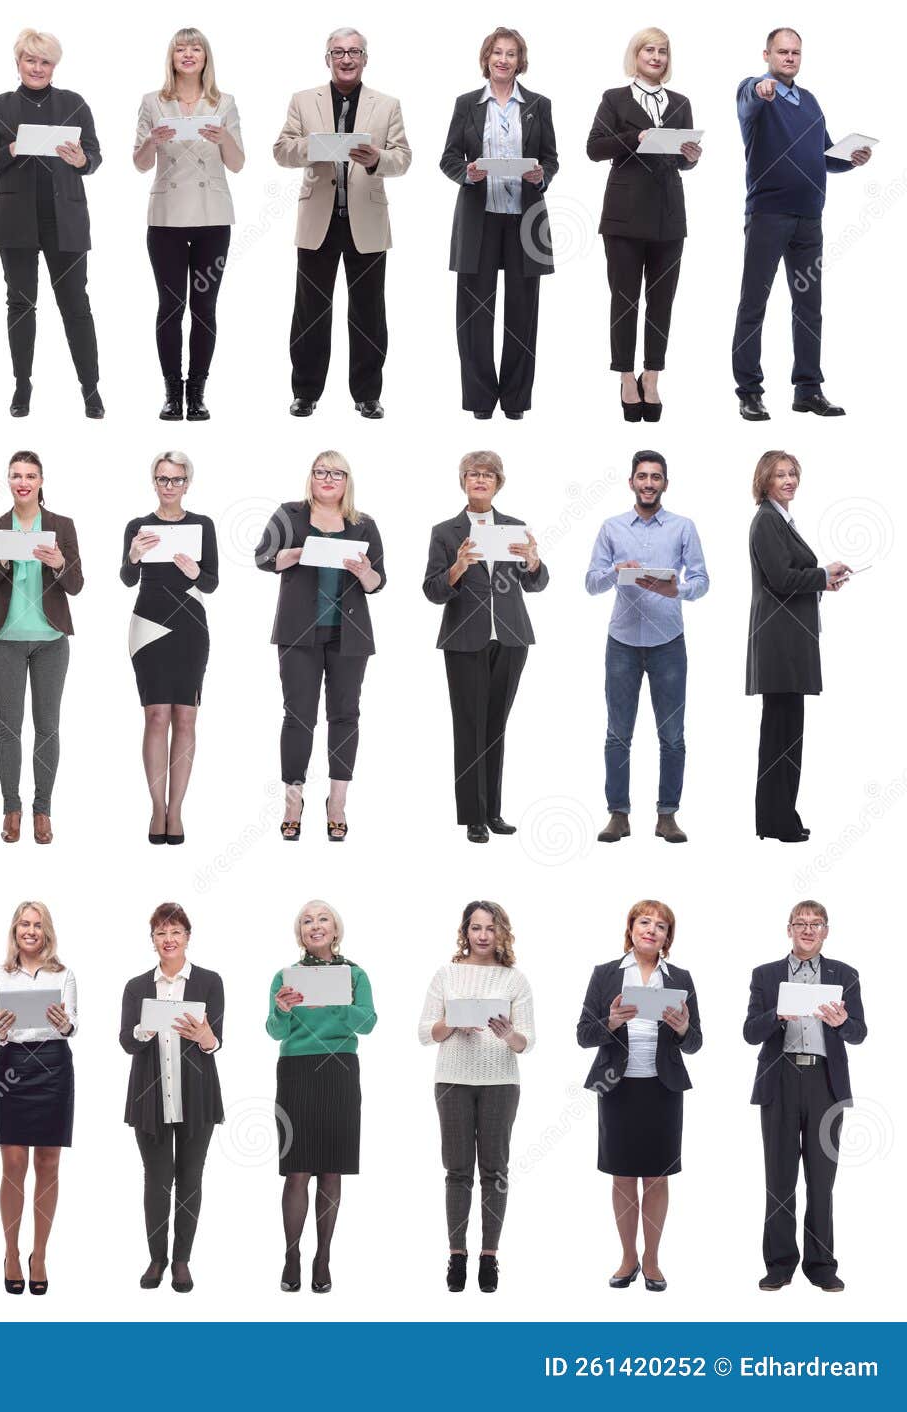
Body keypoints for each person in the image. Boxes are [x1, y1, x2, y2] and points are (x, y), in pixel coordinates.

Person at [732, 29, 871, 421]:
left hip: (810, 218)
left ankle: (808, 389)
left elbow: (823, 153)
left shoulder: (809, 101)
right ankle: (749, 392)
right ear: (767, 54)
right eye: (782, 52)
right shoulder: (754, 91)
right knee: (753, 304)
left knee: (809, 306)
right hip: (768, 216)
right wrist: (761, 89)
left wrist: (850, 159)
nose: (790, 58)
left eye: (795, 53)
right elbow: (749, 97)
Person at [273, 28, 410, 419]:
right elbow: (282, 150)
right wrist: (314, 146)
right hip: (319, 219)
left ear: (366, 58)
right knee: (310, 311)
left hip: (366, 221)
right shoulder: (303, 101)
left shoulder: (387, 105)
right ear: (327, 58)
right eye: (338, 52)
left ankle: (367, 394)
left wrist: (375, 158)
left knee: (369, 312)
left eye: (354, 52)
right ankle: (305, 392)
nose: (346, 59)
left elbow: (403, 158)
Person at [254, 453, 384, 842]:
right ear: (310, 477)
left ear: (347, 480)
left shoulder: (364, 524)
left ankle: (337, 802)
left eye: (336, 473)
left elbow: (378, 582)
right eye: (321, 472)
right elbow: (262, 557)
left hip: (350, 634)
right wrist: (291, 555)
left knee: (346, 716)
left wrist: (364, 573)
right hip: (298, 633)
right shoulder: (288, 514)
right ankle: (293, 801)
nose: (328, 478)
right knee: (298, 716)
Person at [0, 29, 104, 419]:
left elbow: (94, 157)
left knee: (75, 305)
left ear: (54, 66)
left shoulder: (73, 104)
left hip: (65, 221)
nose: (37, 67)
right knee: (21, 304)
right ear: (18, 63)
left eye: (44, 61)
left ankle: (91, 389)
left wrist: (81, 160)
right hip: (17, 221)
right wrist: (10, 149)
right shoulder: (0, 107)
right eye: (30, 60)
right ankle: (22, 386)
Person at [584, 451, 709, 845]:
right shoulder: (612, 528)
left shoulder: (684, 527)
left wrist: (680, 589)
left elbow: (702, 579)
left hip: (668, 642)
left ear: (665, 484)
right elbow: (590, 583)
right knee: (617, 734)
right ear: (631, 482)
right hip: (621, 642)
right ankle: (618, 815)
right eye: (642, 476)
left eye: (656, 477)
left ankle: (667, 816)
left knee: (672, 735)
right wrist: (615, 572)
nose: (649, 483)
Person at [577, 899, 701, 1292]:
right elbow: (583, 1034)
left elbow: (696, 1042)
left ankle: (652, 1259)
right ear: (630, 928)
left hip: (663, 1088)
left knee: (658, 1176)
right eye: (644, 921)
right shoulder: (606, 975)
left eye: (661, 926)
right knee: (623, 1174)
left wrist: (682, 1029)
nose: (652, 929)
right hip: (617, 1087)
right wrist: (611, 1021)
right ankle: (628, 1257)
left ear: (668, 937)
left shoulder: (679, 976)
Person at [423, 451, 547, 842]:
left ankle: (493, 811)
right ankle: (473, 817)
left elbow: (536, 584)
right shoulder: (446, 531)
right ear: (463, 481)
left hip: (510, 637)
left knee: (495, 728)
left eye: (488, 475)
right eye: (473, 474)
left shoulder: (514, 527)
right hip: (464, 640)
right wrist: (458, 567)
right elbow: (432, 590)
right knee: (469, 728)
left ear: (498, 483)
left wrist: (532, 561)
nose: (480, 480)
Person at [744, 900, 866, 1293]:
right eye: (801, 923)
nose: (808, 930)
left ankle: (821, 1264)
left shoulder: (844, 975)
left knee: (821, 1180)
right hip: (779, 1079)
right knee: (779, 1179)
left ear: (826, 931)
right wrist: (778, 1014)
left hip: (825, 1084)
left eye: (816, 924)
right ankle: (779, 1264)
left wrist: (843, 1021)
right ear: (789, 929)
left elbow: (859, 1033)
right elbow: (750, 1032)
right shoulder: (766, 975)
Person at [439, 27, 558, 420]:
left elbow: (551, 158)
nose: (503, 59)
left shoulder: (539, 105)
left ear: (519, 61)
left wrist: (540, 175)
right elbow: (449, 157)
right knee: (474, 314)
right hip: (480, 217)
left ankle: (515, 401)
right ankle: (479, 401)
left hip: (525, 219)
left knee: (523, 313)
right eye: (497, 53)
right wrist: (467, 173)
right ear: (486, 58)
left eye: (511, 54)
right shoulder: (467, 103)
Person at [417, 900, 534, 1293]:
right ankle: (456, 1256)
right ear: (465, 932)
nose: (483, 935)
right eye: (476, 928)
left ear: (502, 932)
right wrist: (451, 1022)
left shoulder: (515, 980)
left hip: (501, 1082)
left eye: (490, 928)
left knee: (495, 1171)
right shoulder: (446, 974)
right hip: (452, 1080)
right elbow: (423, 1033)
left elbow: (526, 1042)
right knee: (457, 1170)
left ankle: (489, 1257)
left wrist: (506, 1034)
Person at [586, 29, 701, 421]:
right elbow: (594, 148)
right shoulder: (614, 99)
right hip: (624, 214)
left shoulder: (681, 102)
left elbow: (682, 161)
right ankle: (625, 376)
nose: (656, 57)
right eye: (649, 50)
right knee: (625, 300)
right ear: (635, 55)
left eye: (663, 51)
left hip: (669, 215)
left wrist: (690, 155)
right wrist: (635, 135)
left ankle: (651, 374)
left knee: (662, 300)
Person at [132, 27, 245, 420]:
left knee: (204, 307)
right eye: (181, 48)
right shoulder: (152, 102)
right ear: (172, 57)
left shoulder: (224, 102)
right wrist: (154, 141)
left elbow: (237, 162)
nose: (188, 54)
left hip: (213, 217)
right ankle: (171, 392)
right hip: (166, 218)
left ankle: (196, 392)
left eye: (195, 48)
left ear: (205, 56)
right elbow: (140, 162)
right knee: (169, 305)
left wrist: (223, 136)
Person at [0, 452, 83, 845]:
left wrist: (60, 563)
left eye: (30, 475)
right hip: (6, 641)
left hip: (51, 641)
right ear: (8, 480)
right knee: (8, 728)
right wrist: (1, 560)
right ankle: (11, 809)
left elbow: (77, 585)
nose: (23, 482)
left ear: (40, 481)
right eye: (16, 475)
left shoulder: (60, 526)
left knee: (48, 728)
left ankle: (43, 811)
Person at [267, 899, 376, 1294]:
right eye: (307, 921)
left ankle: (323, 1256)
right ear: (301, 932)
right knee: (297, 1169)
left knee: (331, 1169)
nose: (315, 925)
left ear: (335, 928)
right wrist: (281, 1009)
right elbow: (275, 1031)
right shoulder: (286, 975)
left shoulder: (355, 974)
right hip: (296, 1071)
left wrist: (339, 1004)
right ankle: (292, 1253)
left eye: (323, 918)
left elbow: (369, 1022)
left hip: (340, 1071)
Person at [120, 902, 223, 1294]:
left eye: (176, 932)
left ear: (188, 937)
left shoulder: (209, 982)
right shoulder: (137, 986)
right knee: (157, 1180)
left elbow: (217, 1041)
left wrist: (204, 1037)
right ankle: (156, 1258)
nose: (169, 939)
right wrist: (144, 1030)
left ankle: (182, 1261)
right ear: (152, 940)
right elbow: (126, 1041)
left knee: (190, 1179)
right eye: (161, 933)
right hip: (150, 1095)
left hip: (197, 1096)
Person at [746, 451, 849, 841]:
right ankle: (776, 822)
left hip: (789, 642)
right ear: (764, 481)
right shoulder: (767, 521)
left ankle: (779, 818)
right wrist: (821, 575)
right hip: (779, 645)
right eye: (779, 475)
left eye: (792, 473)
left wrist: (824, 578)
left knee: (787, 735)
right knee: (779, 737)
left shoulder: (780, 520)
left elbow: (793, 576)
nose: (789, 480)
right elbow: (780, 579)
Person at [120, 452, 218, 844]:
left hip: (190, 625)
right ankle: (156, 807)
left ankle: (176, 810)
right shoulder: (137, 525)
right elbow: (128, 578)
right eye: (162, 479)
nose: (169, 486)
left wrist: (196, 571)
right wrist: (133, 555)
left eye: (176, 479)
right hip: (148, 624)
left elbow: (211, 583)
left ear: (187, 483)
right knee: (156, 716)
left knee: (186, 716)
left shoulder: (202, 525)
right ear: (154, 482)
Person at [0, 901, 77, 1296]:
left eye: (37, 925)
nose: (30, 930)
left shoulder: (64, 973)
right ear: (14, 930)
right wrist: (0, 1029)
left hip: (53, 1065)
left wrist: (66, 1023)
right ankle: (10, 1252)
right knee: (12, 1162)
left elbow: (74, 1022)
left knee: (48, 1161)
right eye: (24, 924)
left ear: (46, 932)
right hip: (12, 1066)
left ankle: (39, 1254)